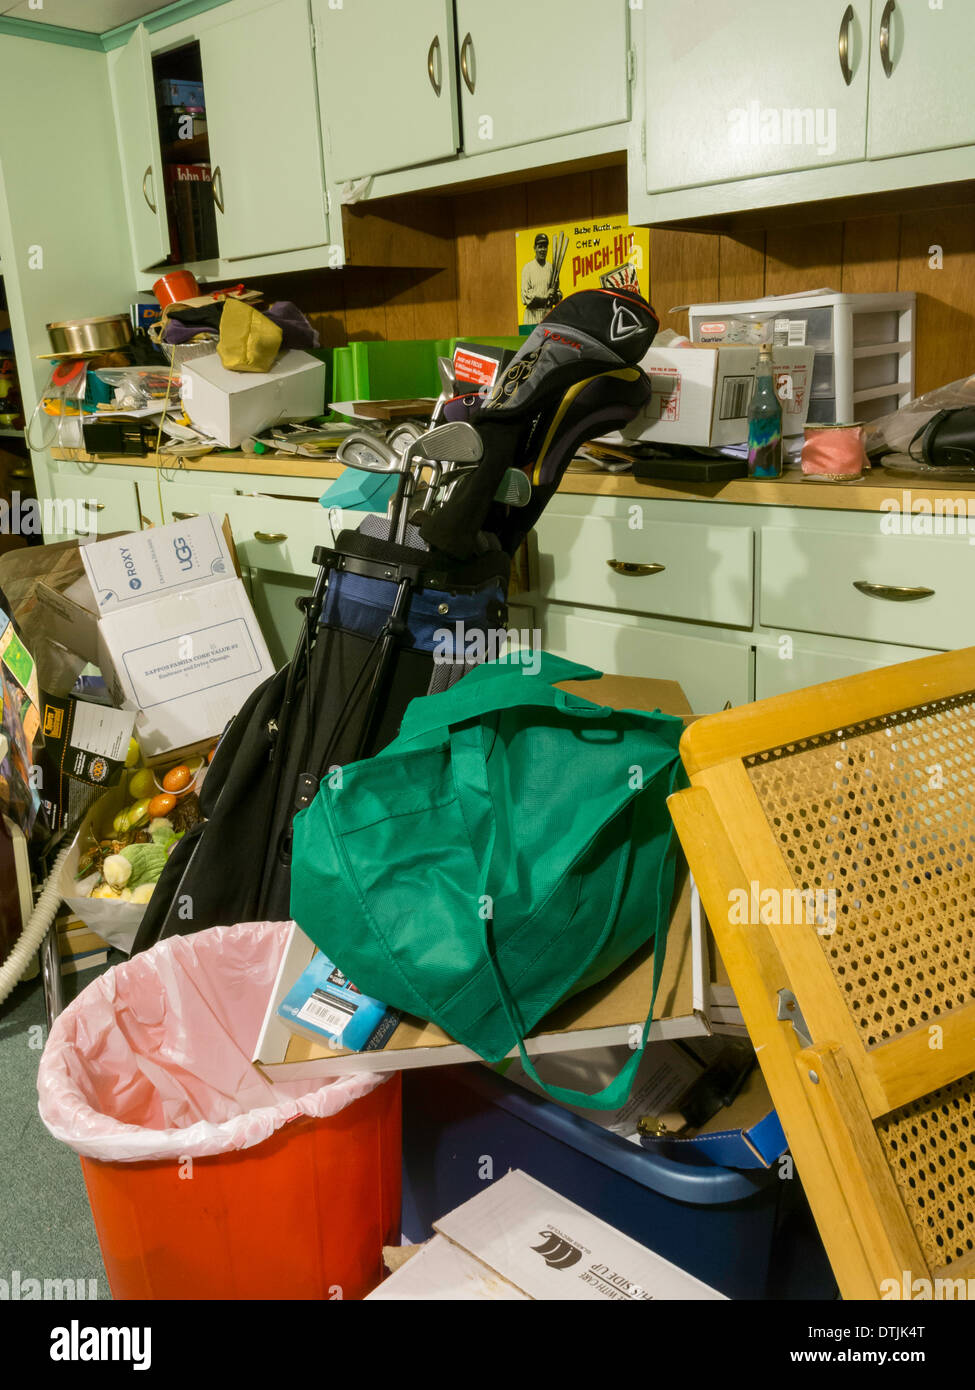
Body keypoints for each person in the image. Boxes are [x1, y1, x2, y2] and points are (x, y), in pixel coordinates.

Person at [521, 233, 561, 325]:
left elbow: (557, 292)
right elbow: (525, 295)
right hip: (532, 315)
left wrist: (555, 295)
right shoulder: (528, 268)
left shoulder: (552, 268)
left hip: (548, 314)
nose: (543, 250)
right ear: (534, 248)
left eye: (545, 247)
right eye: (540, 247)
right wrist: (545, 296)